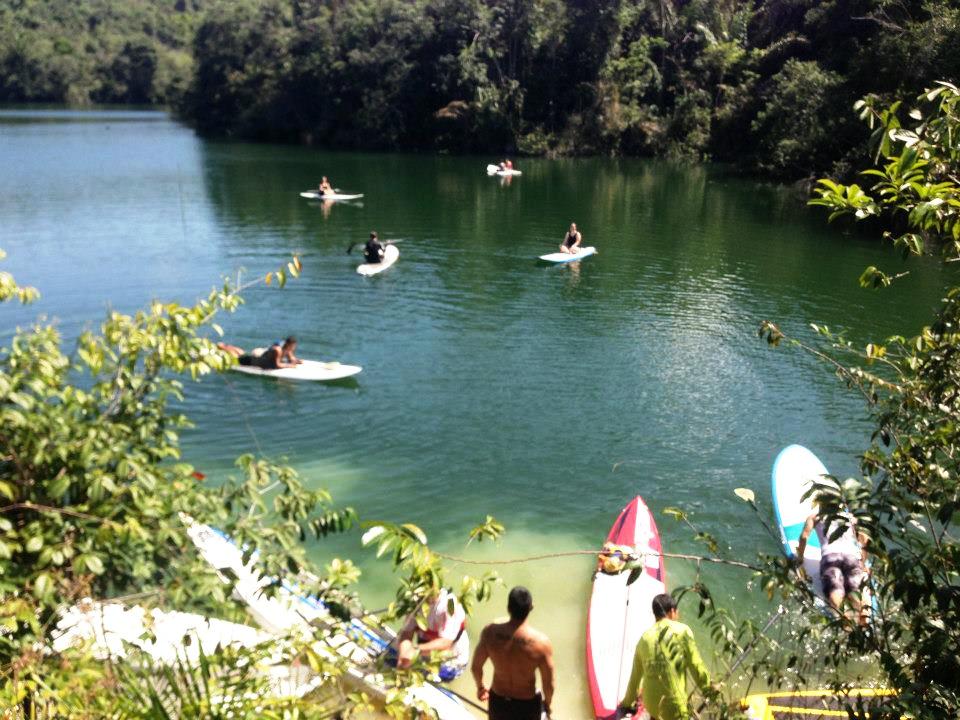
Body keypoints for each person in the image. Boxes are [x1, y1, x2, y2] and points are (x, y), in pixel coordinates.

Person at [618, 593, 713, 720]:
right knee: (676, 706)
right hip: (675, 708)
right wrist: (710, 692)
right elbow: (696, 667)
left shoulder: (644, 638)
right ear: (672, 611)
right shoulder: (683, 631)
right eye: (677, 612)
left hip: (651, 705)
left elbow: (635, 678)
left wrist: (626, 704)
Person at [471, 586, 555, 720]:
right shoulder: (541, 643)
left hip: (498, 702)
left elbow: (476, 667)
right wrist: (547, 705)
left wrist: (480, 688)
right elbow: (548, 684)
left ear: (508, 608)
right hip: (527, 705)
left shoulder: (490, 633)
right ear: (530, 608)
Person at [795, 502, 869, 620]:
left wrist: (799, 558)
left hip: (830, 559)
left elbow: (804, 537)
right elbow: (865, 539)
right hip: (851, 558)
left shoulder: (816, 517)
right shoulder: (851, 518)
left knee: (836, 590)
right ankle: (863, 621)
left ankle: (843, 619)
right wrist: (863, 564)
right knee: (855, 590)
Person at [394, 588, 470, 680]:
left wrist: (414, 651)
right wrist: (403, 654)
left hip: (451, 663)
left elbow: (446, 642)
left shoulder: (450, 604)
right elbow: (406, 633)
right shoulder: (415, 601)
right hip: (423, 655)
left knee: (414, 675)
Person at [217, 337, 302, 370]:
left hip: (257, 357)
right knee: (237, 356)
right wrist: (289, 366)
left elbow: (291, 359)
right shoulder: (278, 350)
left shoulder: (288, 349)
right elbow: (277, 365)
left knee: (241, 353)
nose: (294, 348)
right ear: (288, 344)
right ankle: (221, 346)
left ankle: (224, 345)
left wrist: (296, 361)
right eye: (293, 346)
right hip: (252, 362)